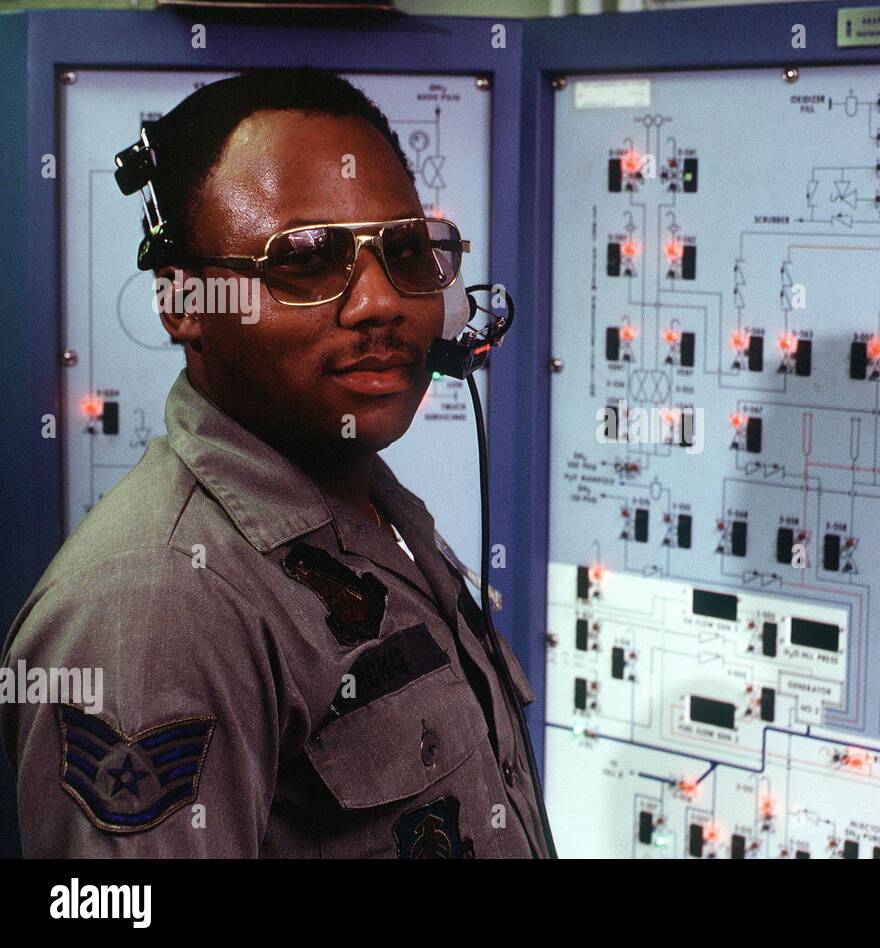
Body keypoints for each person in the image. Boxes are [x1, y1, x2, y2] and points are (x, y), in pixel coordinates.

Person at [0, 68, 549, 857]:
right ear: (184, 302)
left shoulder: (377, 513)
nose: (380, 302)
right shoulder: (153, 610)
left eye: (405, 250)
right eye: (305, 258)